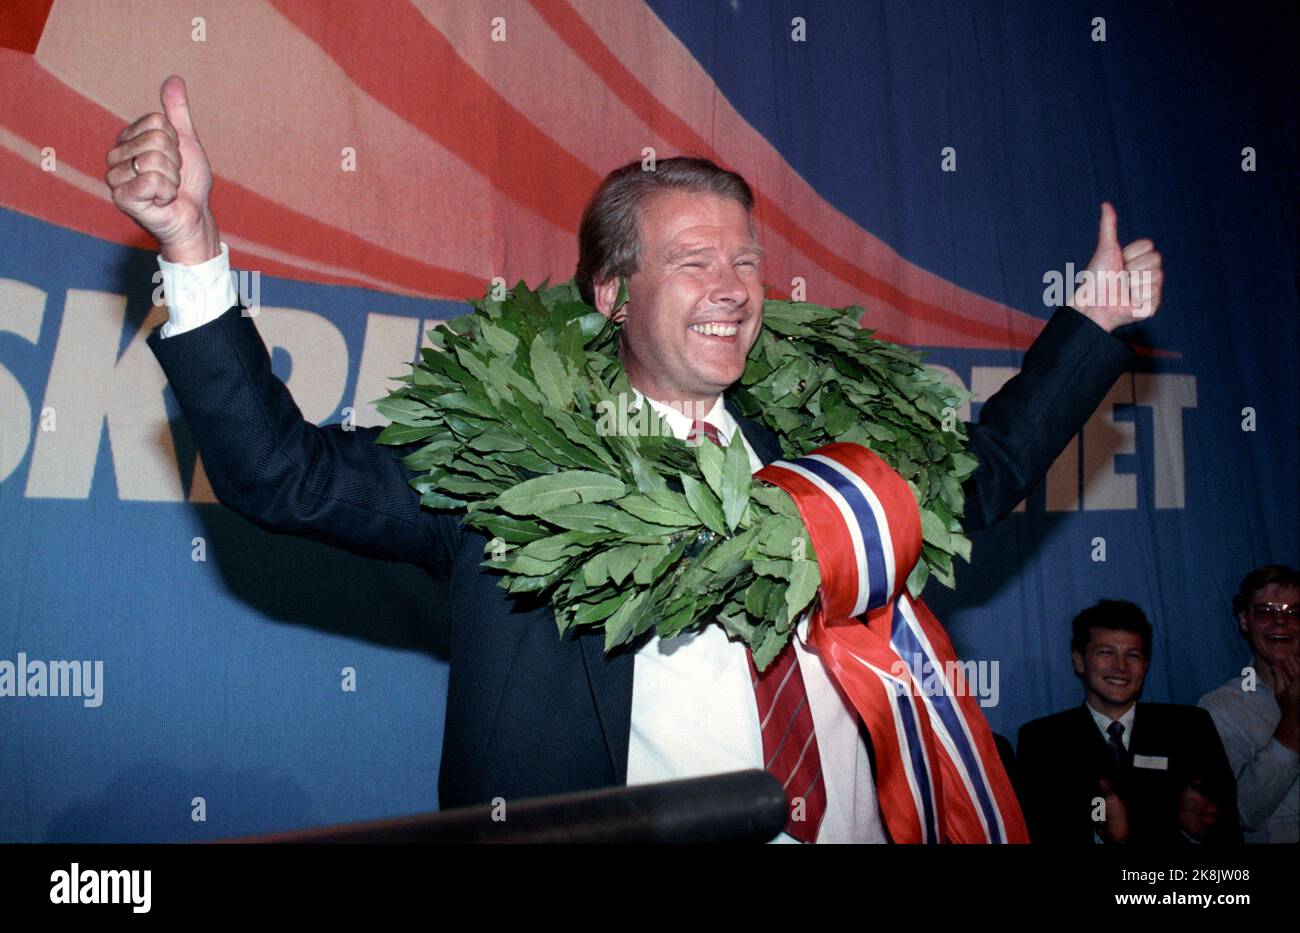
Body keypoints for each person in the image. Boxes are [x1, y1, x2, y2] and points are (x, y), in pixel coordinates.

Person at [105, 75, 1161, 842]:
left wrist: (1089, 329)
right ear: (611, 294)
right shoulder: (509, 476)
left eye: (745, 259)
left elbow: (975, 477)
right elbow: (280, 472)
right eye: (693, 261)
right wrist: (191, 247)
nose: (735, 285)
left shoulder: (825, 460)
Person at [1017, 600, 1240, 844]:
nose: (1120, 666)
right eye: (1106, 652)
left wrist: (1194, 832)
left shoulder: (1190, 728)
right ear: (1079, 661)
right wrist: (1102, 837)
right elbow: (1037, 833)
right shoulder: (1042, 740)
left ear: (1145, 666)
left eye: (1132, 655)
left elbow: (1229, 830)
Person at [1198, 565, 1300, 843]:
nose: (1281, 622)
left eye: (1294, 613)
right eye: (1266, 612)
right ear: (1245, 621)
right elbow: (1244, 814)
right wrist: (1291, 724)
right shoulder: (1219, 709)